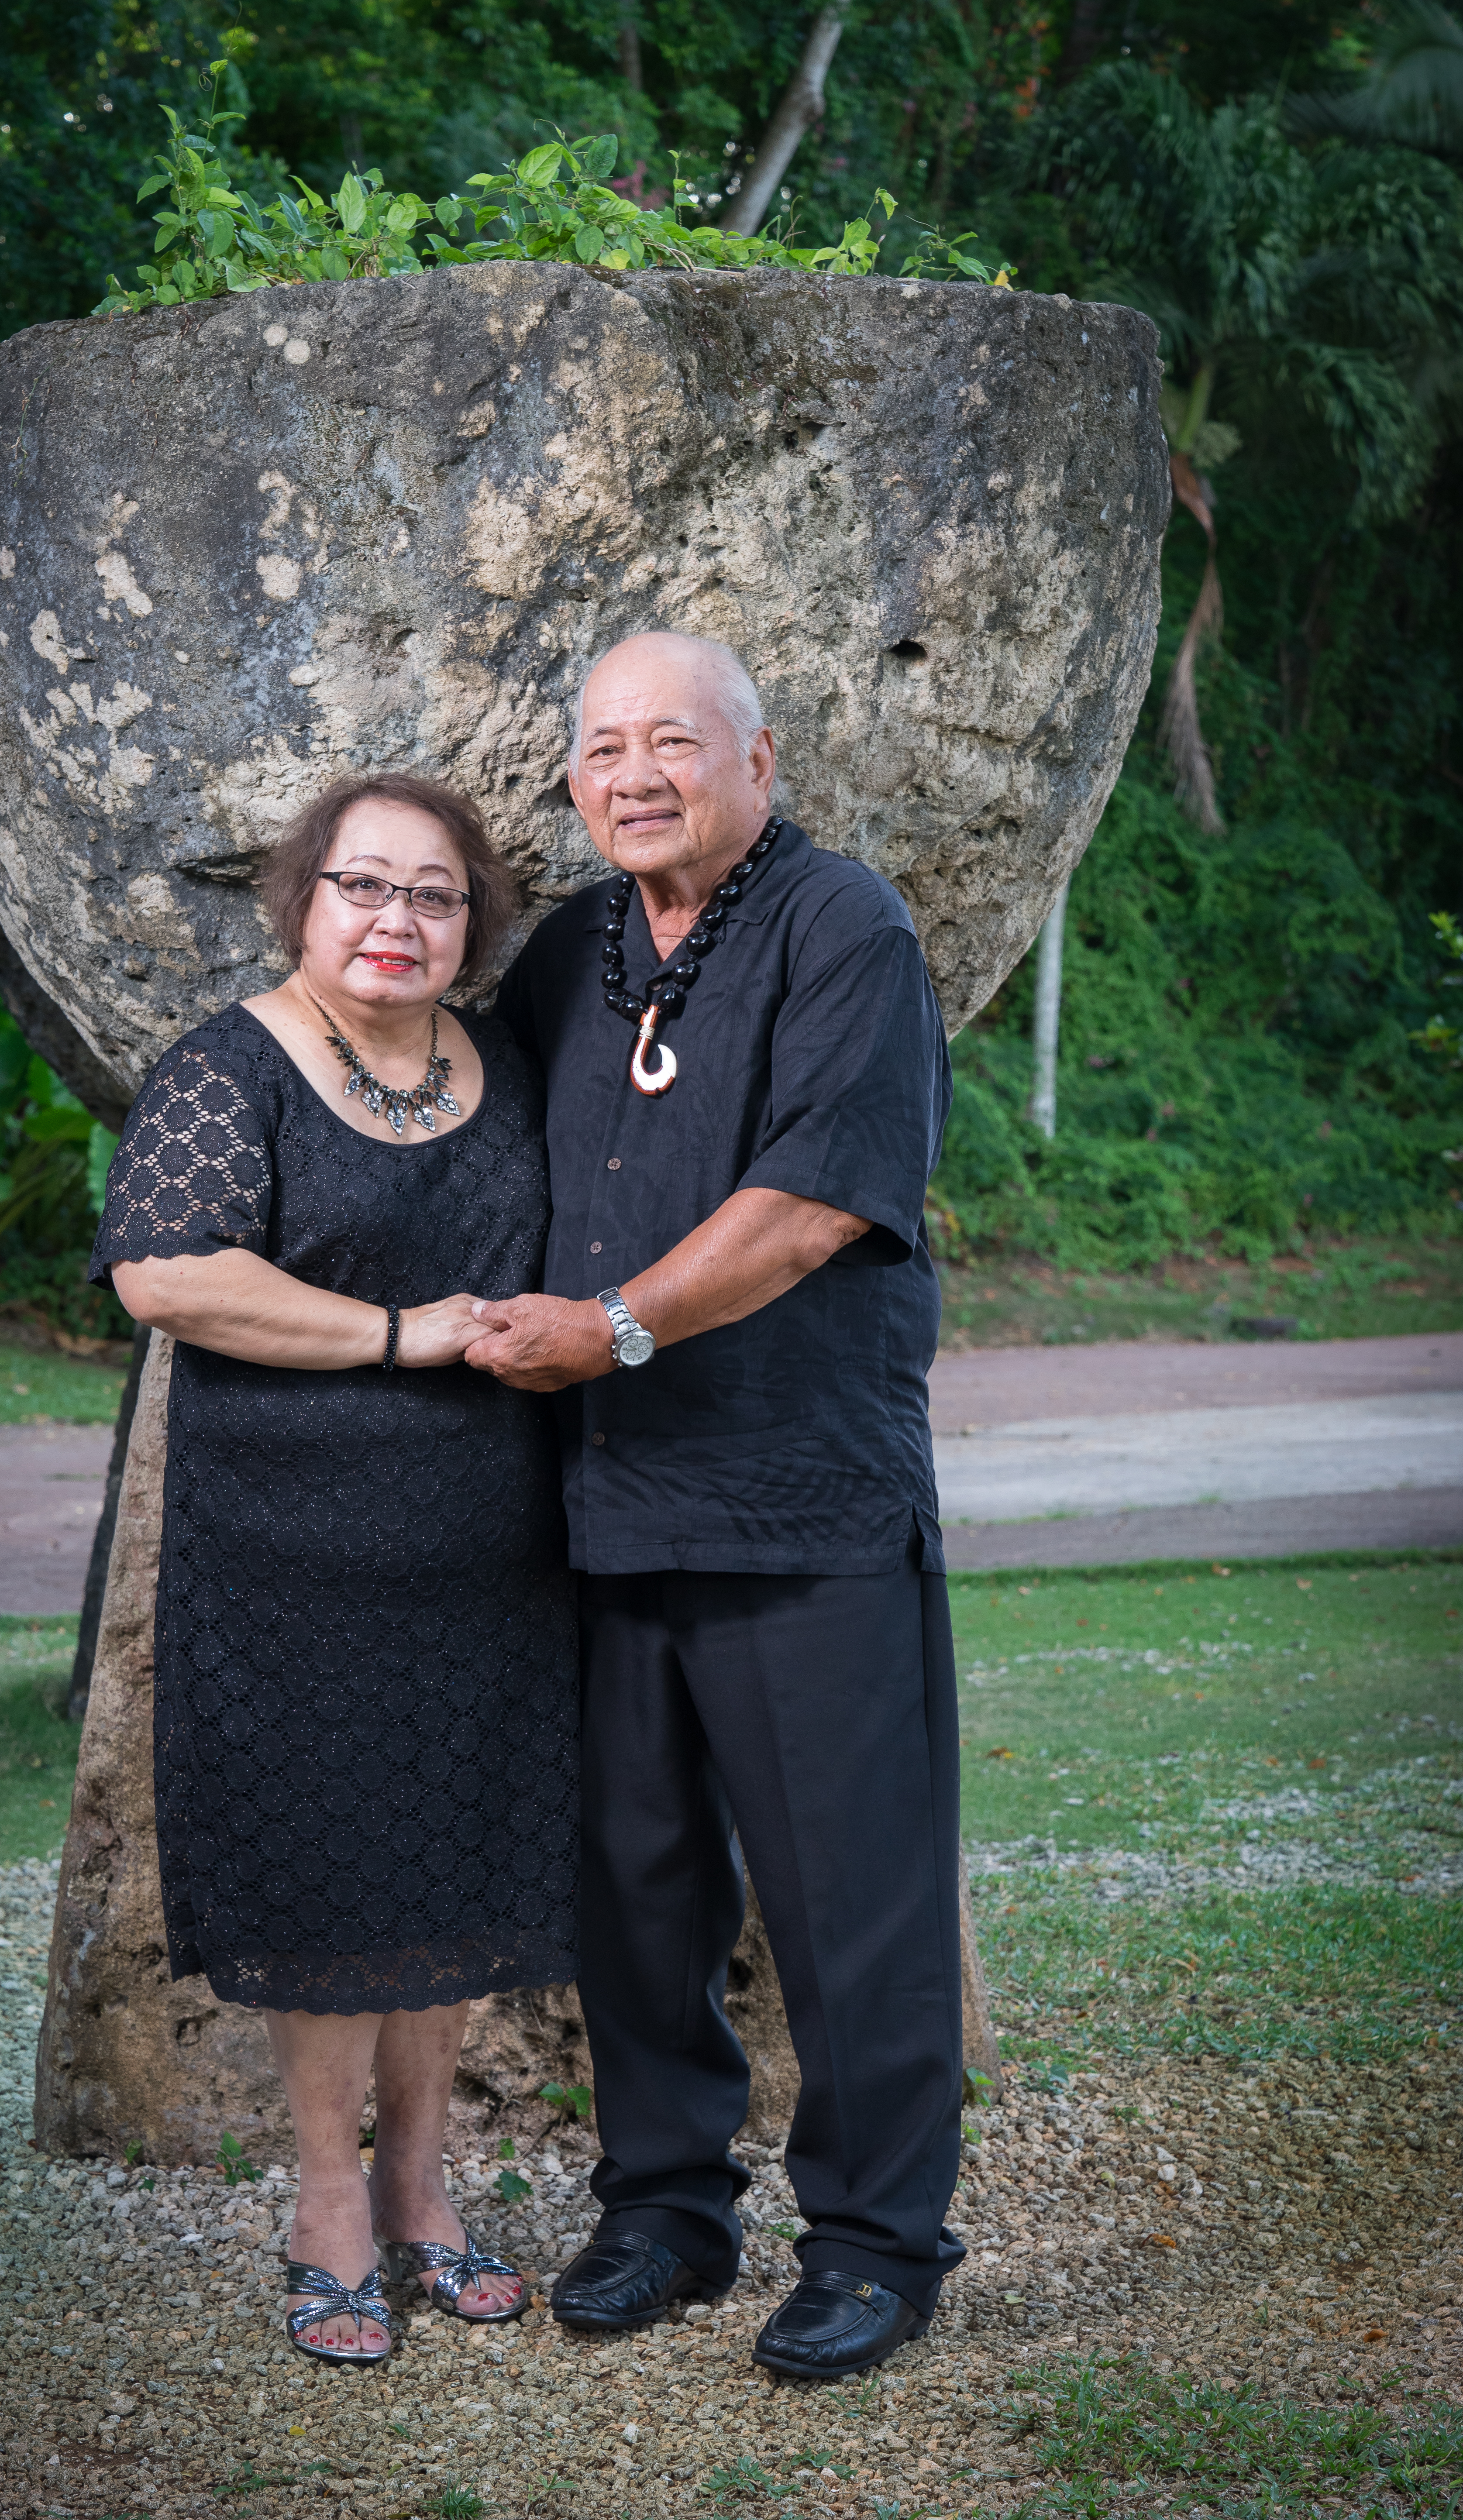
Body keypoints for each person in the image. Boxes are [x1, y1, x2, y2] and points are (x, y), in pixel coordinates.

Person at [468, 631, 964, 2380]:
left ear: (760, 761)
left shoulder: (847, 930)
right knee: (639, 1883)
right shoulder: (575, 954)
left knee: (853, 1893)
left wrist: (612, 1325)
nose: (634, 774)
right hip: (608, 1501)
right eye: (604, 748)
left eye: (674, 740)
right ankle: (668, 2206)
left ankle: (879, 2241)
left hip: (800, 1495)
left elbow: (816, 1203)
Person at [93, 771, 579, 2368]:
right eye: (362, 886)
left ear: (472, 924)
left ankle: (427, 2197)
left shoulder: (499, 1064)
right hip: (291, 1559)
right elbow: (167, 1275)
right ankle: (325, 2206)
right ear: (303, 902)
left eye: (432, 894)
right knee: (333, 1880)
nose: (395, 919)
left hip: (487, 1551)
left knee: (444, 1869)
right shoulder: (229, 1066)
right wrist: (400, 1332)